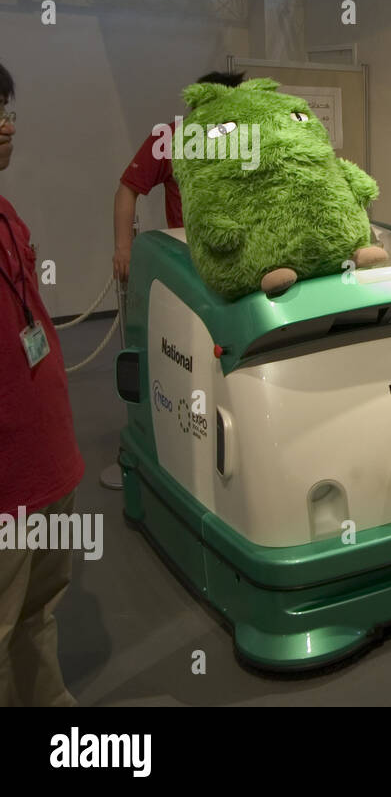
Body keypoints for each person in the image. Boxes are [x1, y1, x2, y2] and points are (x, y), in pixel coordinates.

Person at [0, 62, 83, 706]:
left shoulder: (7, 214)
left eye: (8, 110)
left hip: (45, 464)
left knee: (38, 612)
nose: (5, 127)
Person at [113, 71, 246, 283]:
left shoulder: (248, 137)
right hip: (190, 255)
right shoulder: (171, 136)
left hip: (243, 251)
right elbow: (127, 190)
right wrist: (123, 249)